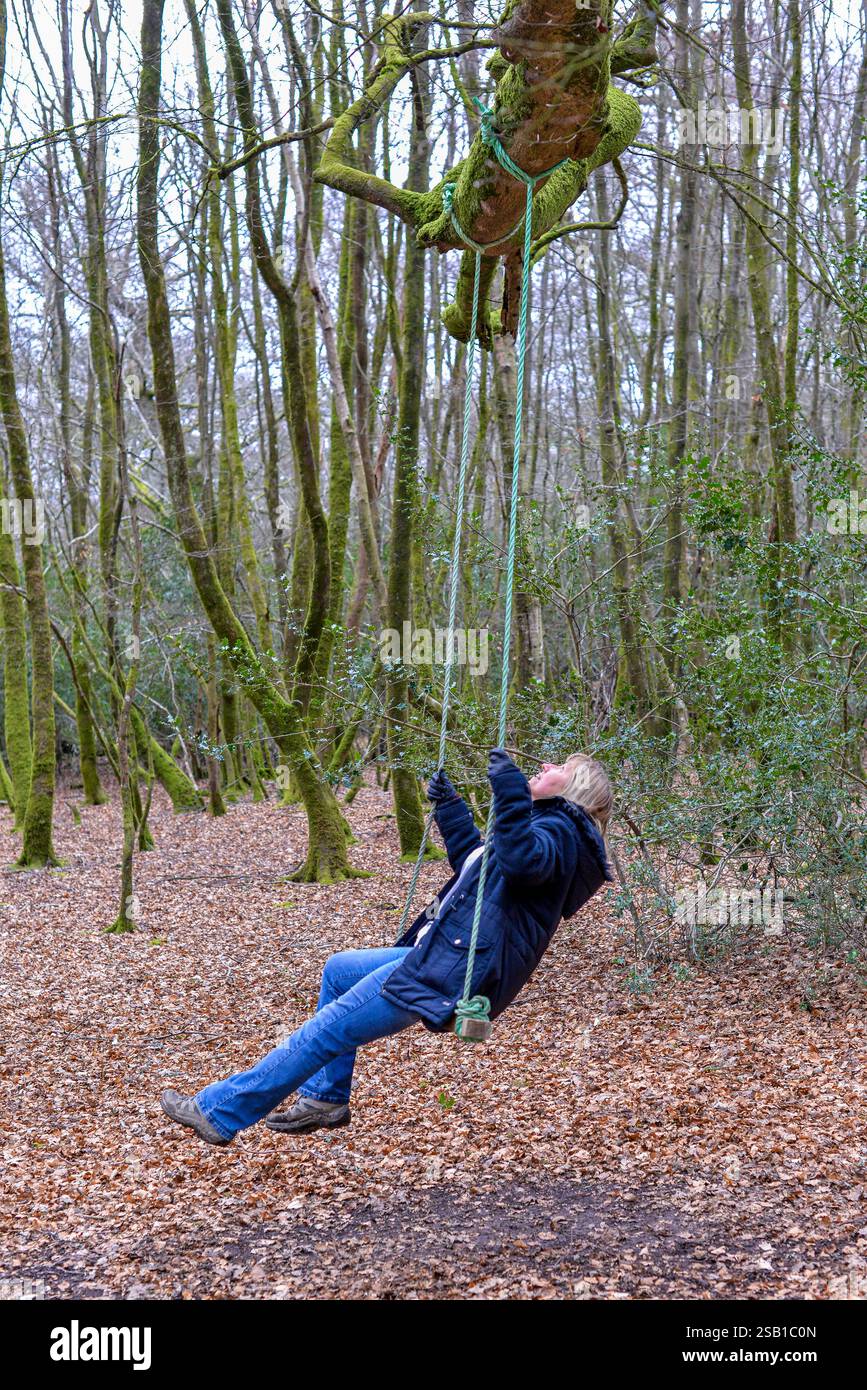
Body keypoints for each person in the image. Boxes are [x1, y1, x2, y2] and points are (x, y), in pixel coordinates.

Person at [160, 748, 613, 1146]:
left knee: (327, 1031)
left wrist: (511, 792)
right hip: (440, 952)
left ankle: (220, 1112)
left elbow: (521, 864)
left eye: (561, 767)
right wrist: (451, 807)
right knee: (339, 970)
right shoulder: (547, 827)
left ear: (574, 790)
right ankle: (326, 1099)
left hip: (450, 970)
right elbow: (477, 867)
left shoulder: (561, 834)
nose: (547, 765)